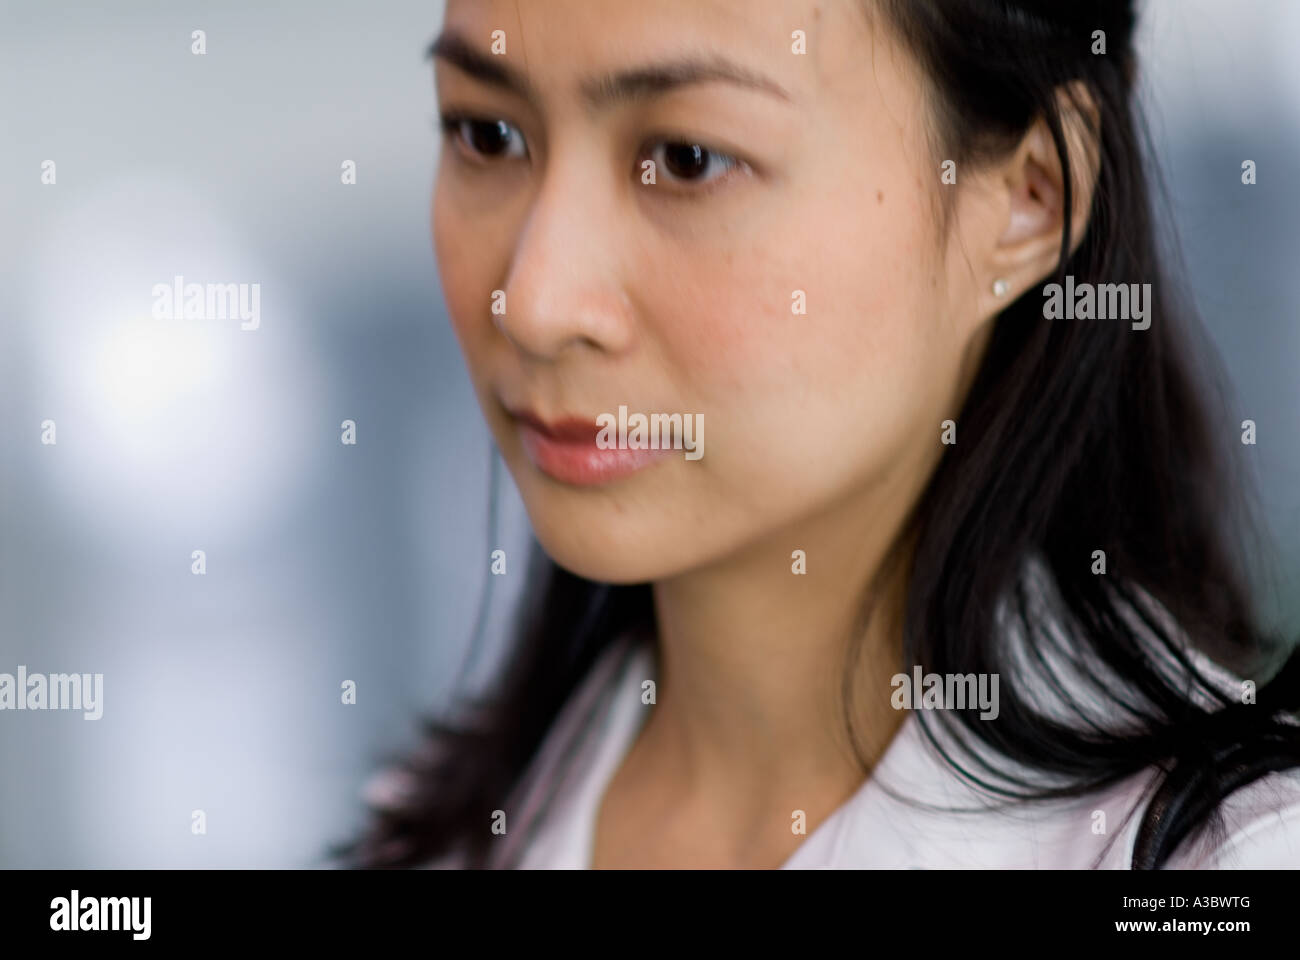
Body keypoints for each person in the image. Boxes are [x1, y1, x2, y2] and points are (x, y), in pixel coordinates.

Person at [343, 0, 1300, 869]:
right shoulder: (443, 830)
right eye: (486, 132)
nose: (537, 301)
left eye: (688, 158)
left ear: (1029, 198)